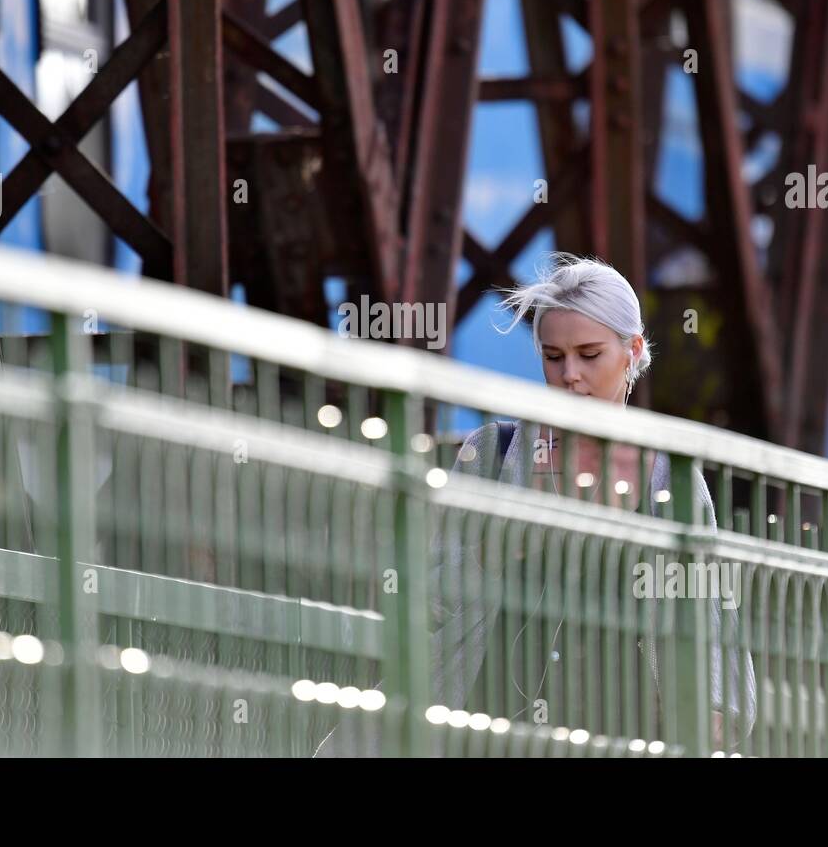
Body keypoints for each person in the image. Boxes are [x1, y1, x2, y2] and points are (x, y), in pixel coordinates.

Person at [316, 254, 756, 755]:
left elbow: (709, 612)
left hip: (624, 729)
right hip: (493, 725)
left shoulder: (674, 479)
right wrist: (490, 554)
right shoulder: (494, 454)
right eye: (553, 356)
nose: (569, 374)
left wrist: (718, 708)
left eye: (589, 355)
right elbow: (429, 595)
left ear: (632, 351)